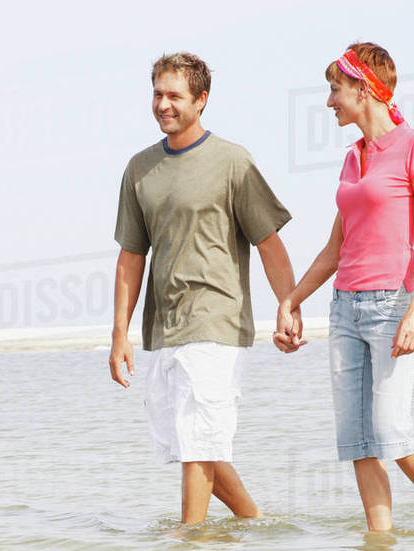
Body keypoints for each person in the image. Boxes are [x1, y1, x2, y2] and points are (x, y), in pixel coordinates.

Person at [274, 42, 414, 531]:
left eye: (335, 90)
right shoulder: (352, 158)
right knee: (357, 439)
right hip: (344, 309)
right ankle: (379, 544)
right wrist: (291, 300)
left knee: (391, 430)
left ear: (363, 88)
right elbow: (335, 249)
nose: (330, 101)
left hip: (390, 305)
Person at [109, 52, 301, 525]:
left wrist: (289, 305)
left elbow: (268, 242)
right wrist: (119, 334)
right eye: (157, 93)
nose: (163, 104)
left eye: (175, 95)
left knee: (199, 443)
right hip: (166, 327)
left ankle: (189, 544)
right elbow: (131, 257)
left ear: (201, 100)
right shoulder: (139, 170)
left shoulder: (232, 162)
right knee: (194, 444)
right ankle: (256, 522)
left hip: (218, 321)